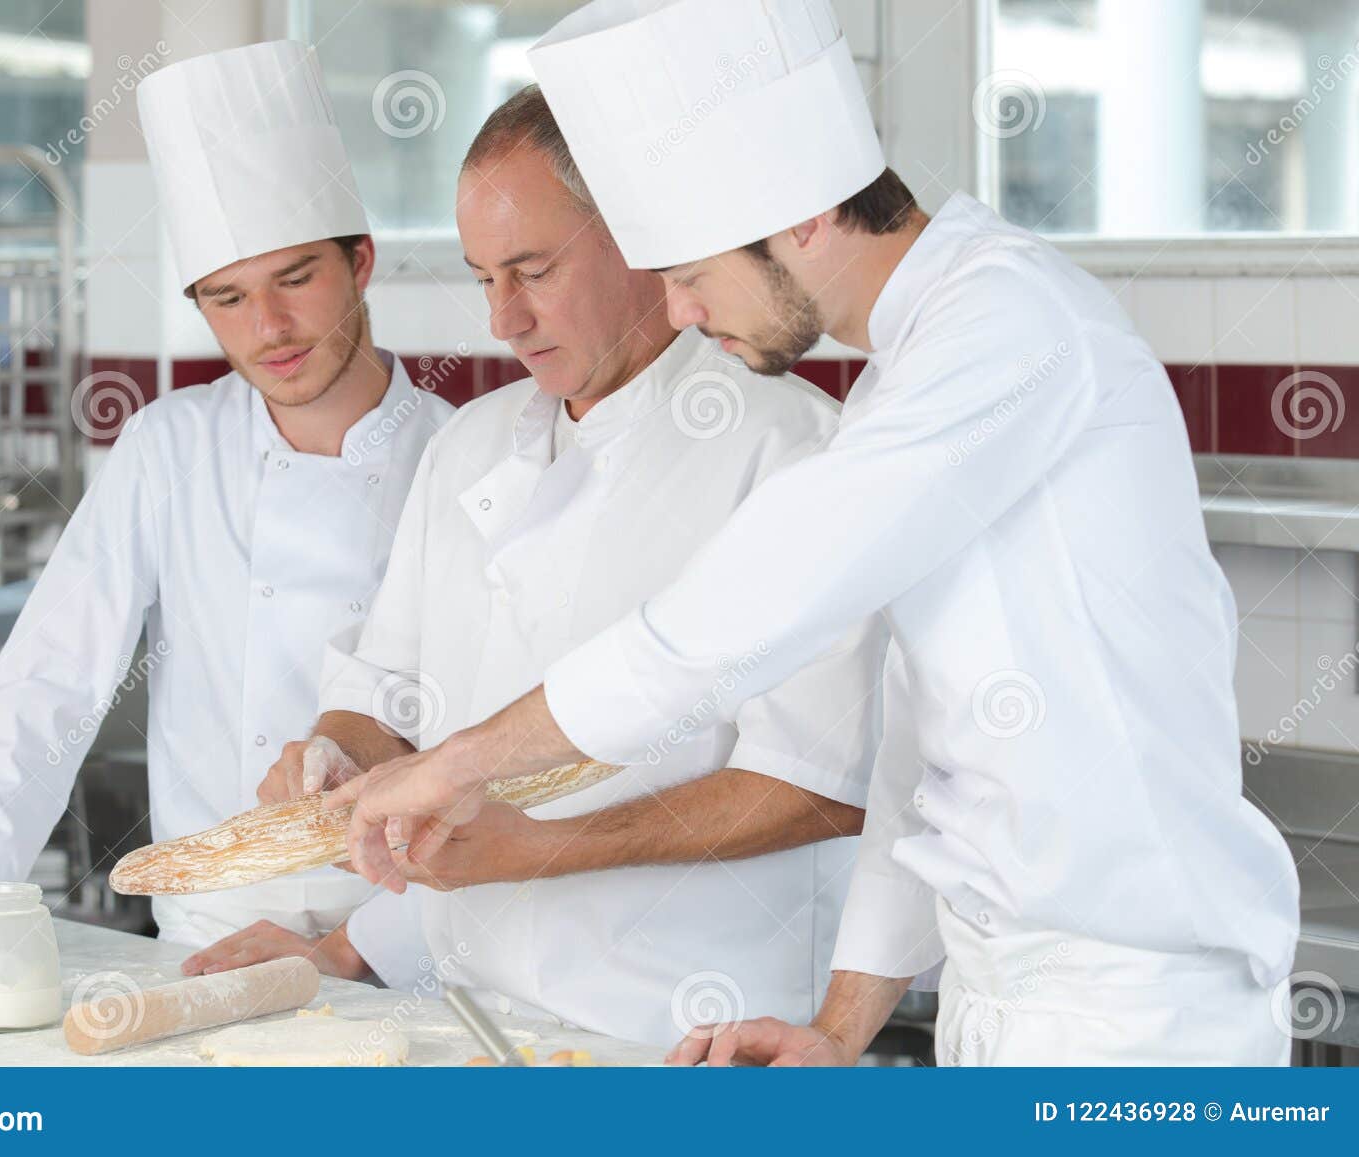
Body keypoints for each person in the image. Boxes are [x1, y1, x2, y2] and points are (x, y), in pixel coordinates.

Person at [328, 0, 1300, 1066]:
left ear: (796, 216)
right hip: (1007, 996)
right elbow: (928, 762)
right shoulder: (909, 371)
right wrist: (839, 1028)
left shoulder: (1012, 326)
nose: (685, 313)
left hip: (1137, 1016)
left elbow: (734, 613)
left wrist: (457, 761)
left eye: (691, 274)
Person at [183, 86, 894, 1049]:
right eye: (483, 278)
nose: (505, 318)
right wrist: (339, 754)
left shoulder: (793, 450)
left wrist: (536, 850)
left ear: (636, 237)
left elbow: (814, 784)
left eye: (533, 269)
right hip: (457, 1012)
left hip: (682, 1029)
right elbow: (389, 692)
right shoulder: (472, 448)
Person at [0, 40, 452, 992]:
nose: (270, 329)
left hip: (411, 944)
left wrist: (367, 947)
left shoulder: (466, 458)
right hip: (205, 943)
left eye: (296, 278)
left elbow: (512, 751)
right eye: (227, 297)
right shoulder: (169, 447)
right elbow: (44, 688)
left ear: (361, 261)